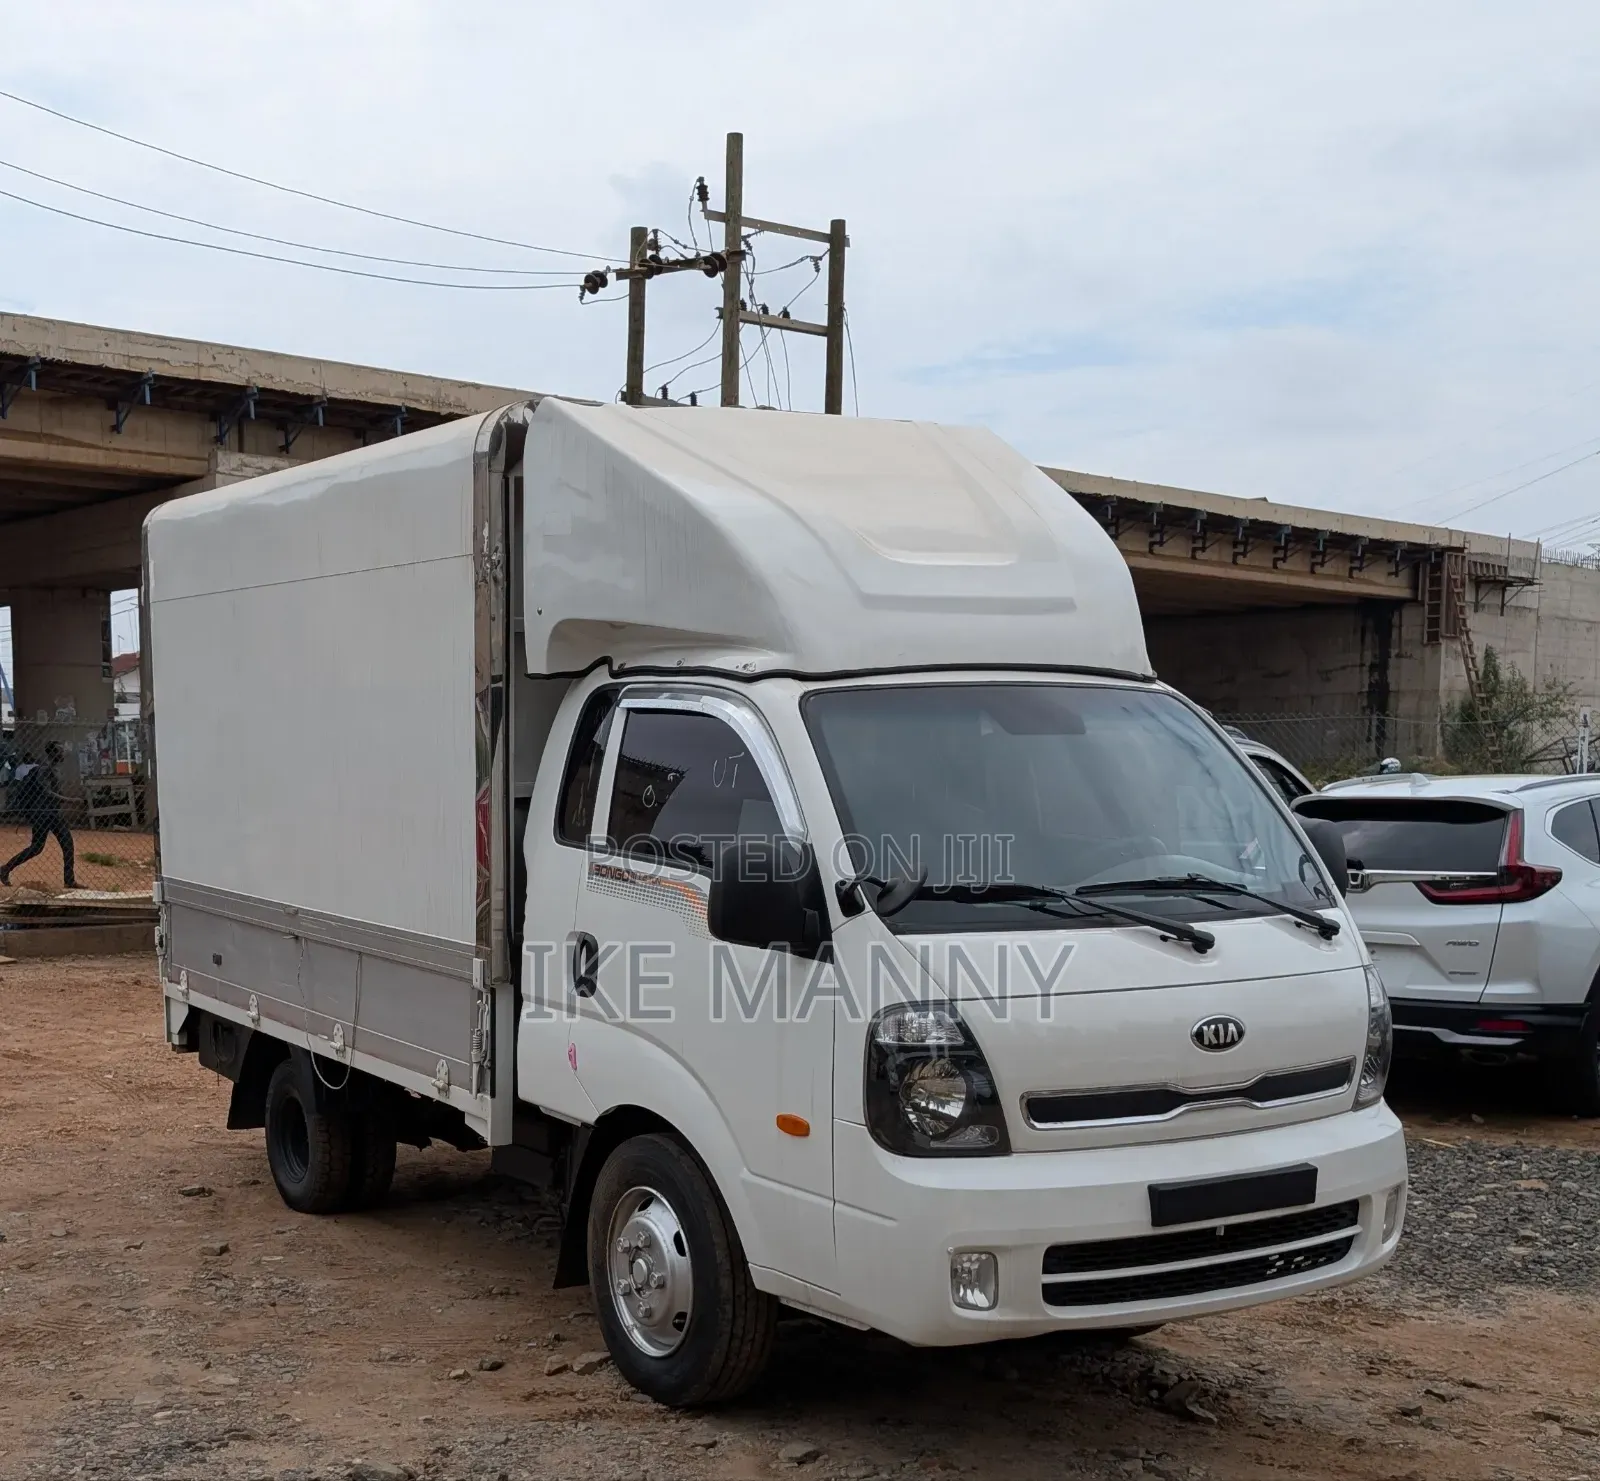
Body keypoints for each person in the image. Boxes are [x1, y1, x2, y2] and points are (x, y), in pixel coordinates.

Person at [1, 741, 79, 889]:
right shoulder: (45, 769)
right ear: (53, 754)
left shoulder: (55, 769)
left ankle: (69, 880)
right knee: (36, 848)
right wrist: (70, 800)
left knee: (67, 845)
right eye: (60, 751)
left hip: (54, 814)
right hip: (43, 814)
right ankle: (5, 869)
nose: (63, 753)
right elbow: (46, 792)